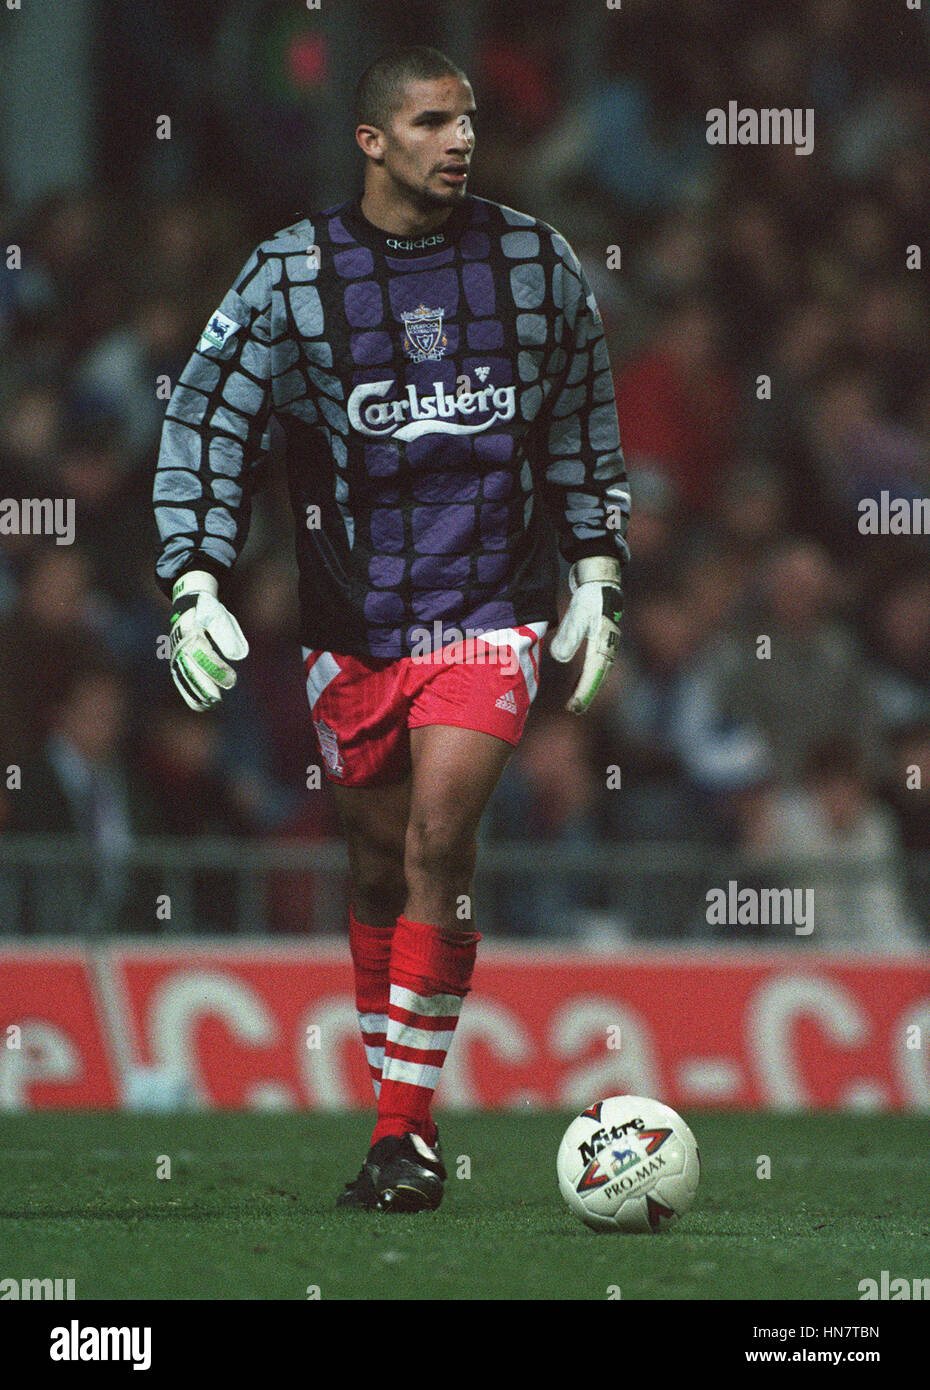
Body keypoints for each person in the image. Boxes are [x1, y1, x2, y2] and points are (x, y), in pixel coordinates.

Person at [153, 45, 630, 1212]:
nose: (459, 139)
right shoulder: (291, 274)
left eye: (466, 120)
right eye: (429, 122)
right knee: (374, 867)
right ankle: (399, 1122)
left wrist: (599, 565)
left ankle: (400, 1138)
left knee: (436, 842)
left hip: (489, 607)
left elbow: (578, 415)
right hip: (350, 619)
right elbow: (212, 419)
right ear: (372, 141)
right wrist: (197, 578)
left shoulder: (533, 262)